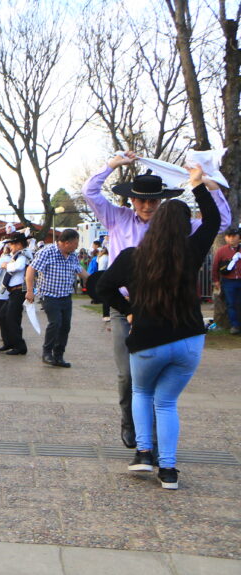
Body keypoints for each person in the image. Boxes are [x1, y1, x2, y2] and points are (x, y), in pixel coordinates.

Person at [83, 151, 230, 449]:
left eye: (153, 201)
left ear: (161, 201)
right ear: (132, 200)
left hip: (163, 309)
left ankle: (150, 435)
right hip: (126, 306)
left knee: (156, 376)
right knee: (127, 374)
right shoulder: (117, 218)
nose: (147, 206)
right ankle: (131, 422)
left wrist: (208, 184)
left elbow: (221, 222)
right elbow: (90, 193)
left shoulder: (176, 225)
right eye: (141, 200)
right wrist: (111, 165)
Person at [25, 229, 89, 368]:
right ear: (67, 243)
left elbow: (80, 271)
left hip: (66, 296)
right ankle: (47, 353)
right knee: (55, 322)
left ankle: (59, 356)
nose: (77, 246)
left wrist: (95, 281)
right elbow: (31, 270)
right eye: (76, 243)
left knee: (65, 326)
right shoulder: (47, 252)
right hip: (49, 295)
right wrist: (30, 291)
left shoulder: (72, 255)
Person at [0, 233, 30, 355]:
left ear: (19, 244)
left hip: (19, 290)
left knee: (12, 318)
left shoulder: (23, 255)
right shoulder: (18, 255)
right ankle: (8, 342)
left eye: (11, 244)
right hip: (13, 291)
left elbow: (19, 267)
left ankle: (19, 346)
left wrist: (6, 265)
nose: (10, 247)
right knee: (3, 315)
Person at [212, 227, 241, 334]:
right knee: (231, 303)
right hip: (228, 281)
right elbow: (215, 266)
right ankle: (235, 326)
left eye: (234, 236)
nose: (231, 239)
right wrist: (216, 280)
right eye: (229, 236)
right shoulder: (222, 251)